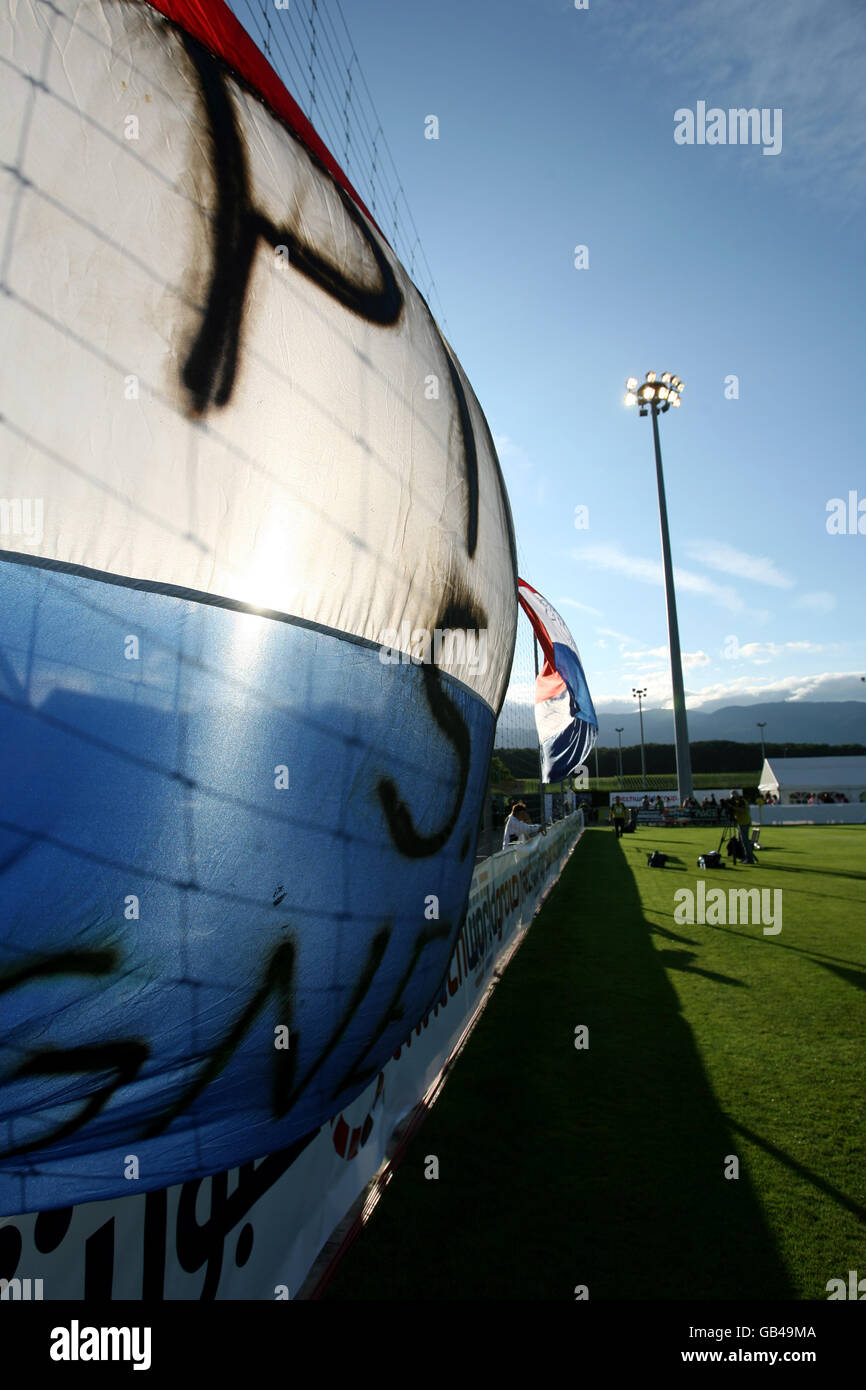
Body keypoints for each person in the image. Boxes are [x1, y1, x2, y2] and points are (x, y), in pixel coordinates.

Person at [730, 793, 755, 863]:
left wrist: (733, 808)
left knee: (745, 841)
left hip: (744, 822)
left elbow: (743, 810)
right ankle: (745, 857)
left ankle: (749, 859)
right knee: (741, 841)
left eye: (733, 797)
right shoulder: (739, 801)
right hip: (741, 822)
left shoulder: (742, 801)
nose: (733, 799)